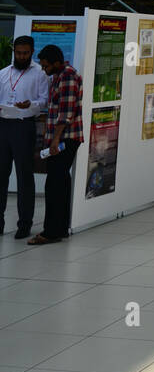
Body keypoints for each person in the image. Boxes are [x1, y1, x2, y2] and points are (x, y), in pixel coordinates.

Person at [28, 44, 83, 245]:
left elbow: (66, 113)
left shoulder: (68, 76)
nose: (44, 69)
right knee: (59, 183)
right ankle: (59, 228)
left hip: (65, 138)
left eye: (46, 66)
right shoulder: (59, 76)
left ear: (57, 62)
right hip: (60, 138)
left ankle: (51, 232)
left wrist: (56, 139)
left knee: (55, 185)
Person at [0, 35, 50, 239]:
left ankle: (24, 224)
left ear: (31, 52)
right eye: (18, 53)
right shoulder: (3, 73)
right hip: (3, 124)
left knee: (24, 176)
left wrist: (30, 105)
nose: (21, 57)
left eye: (25, 53)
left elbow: (45, 101)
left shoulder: (39, 74)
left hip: (24, 126)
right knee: (1, 176)